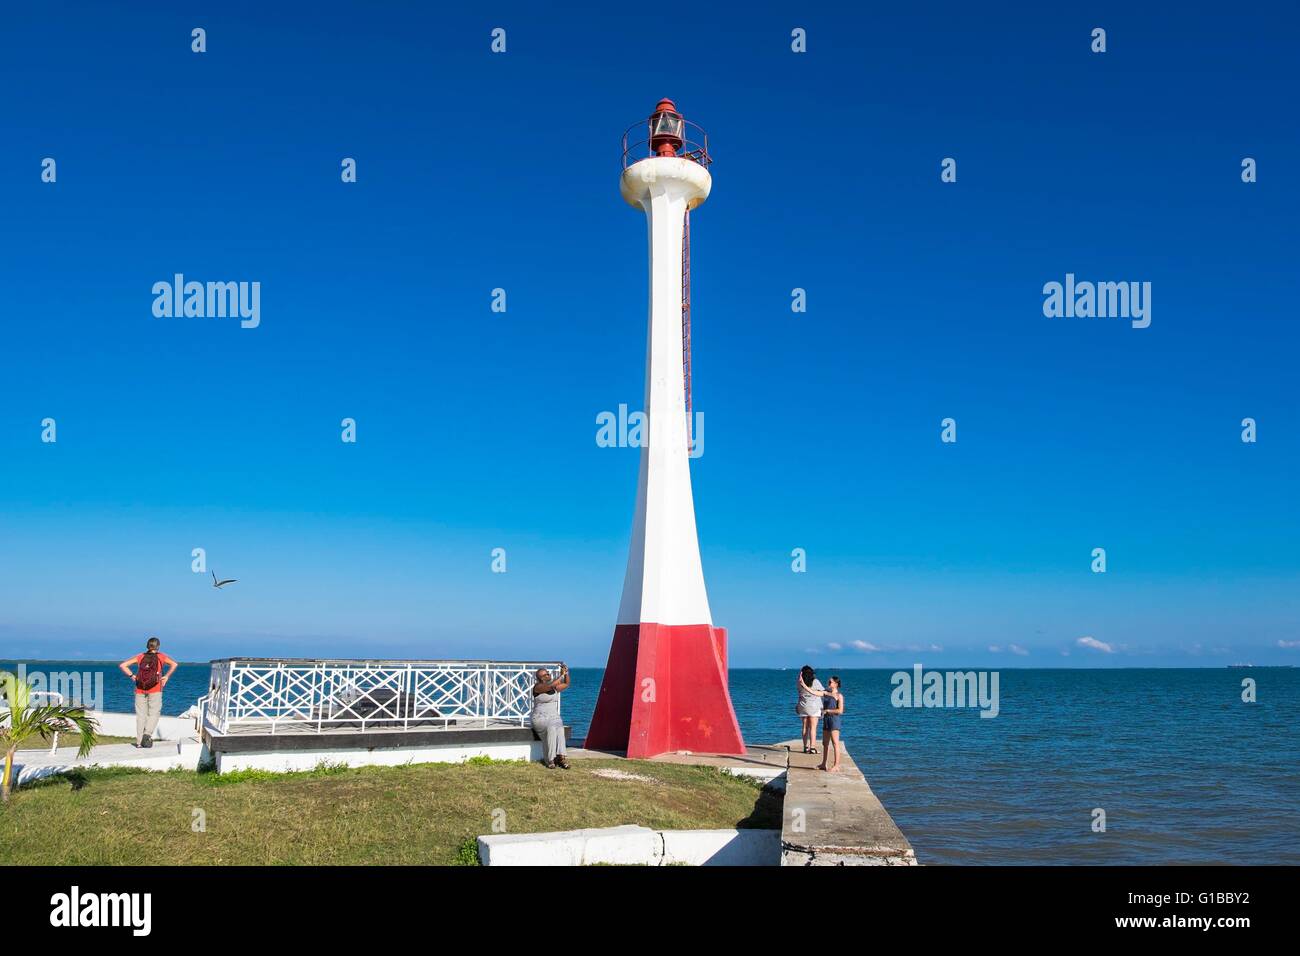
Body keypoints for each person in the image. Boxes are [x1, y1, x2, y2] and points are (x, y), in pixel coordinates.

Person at [118, 637, 178, 748]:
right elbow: (175, 664)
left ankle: (139, 742)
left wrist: (132, 676)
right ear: (158, 646)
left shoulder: (140, 656)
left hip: (140, 688)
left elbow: (122, 665)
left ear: (147, 646)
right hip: (156, 688)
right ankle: (147, 734)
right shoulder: (161, 657)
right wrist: (166, 676)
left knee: (141, 716)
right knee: (154, 713)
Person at [532, 664, 570, 769]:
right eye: (546, 674)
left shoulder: (554, 687)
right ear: (541, 678)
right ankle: (550, 759)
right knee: (552, 728)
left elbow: (566, 684)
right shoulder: (538, 687)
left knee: (560, 729)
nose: (548, 675)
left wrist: (566, 673)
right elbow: (550, 686)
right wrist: (561, 676)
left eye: (548, 673)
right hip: (540, 718)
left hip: (554, 717)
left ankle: (561, 757)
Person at [795, 665, 824, 754]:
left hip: (803, 706)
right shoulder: (815, 681)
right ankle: (812, 747)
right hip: (814, 706)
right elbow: (822, 692)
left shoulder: (799, 682)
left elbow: (799, 694)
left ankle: (805, 747)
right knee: (813, 728)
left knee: (804, 727)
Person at [819, 676, 844, 772]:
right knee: (825, 743)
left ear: (836, 684)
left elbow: (840, 711)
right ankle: (823, 764)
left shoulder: (839, 695)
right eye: (828, 681)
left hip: (834, 720)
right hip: (826, 720)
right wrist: (804, 685)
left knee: (835, 743)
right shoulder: (826, 693)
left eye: (831, 682)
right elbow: (815, 693)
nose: (829, 683)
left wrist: (828, 710)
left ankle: (836, 765)